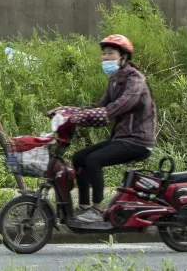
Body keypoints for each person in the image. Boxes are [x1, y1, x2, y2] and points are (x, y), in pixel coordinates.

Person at [51, 33, 157, 230]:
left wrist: (80, 117)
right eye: (104, 54)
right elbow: (100, 105)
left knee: (94, 161)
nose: (106, 58)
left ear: (123, 57)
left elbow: (117, 107)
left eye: (111, 54)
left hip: (138, 140)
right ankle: (84, 207)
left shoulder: (136, 80)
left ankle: (97, 210)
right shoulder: (114, 80)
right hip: (123, 137)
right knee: (79, 157)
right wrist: (68, 111)